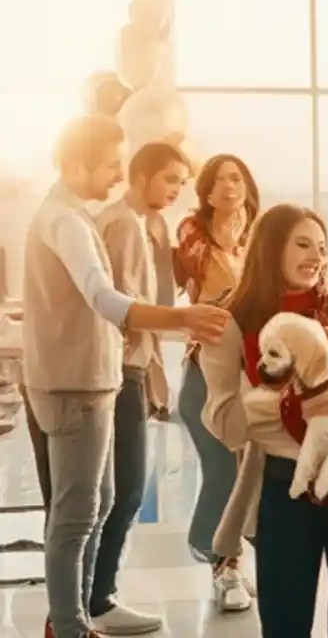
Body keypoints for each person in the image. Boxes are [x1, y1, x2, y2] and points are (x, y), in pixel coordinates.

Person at [22, 115, 229, 638]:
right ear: (74, 164)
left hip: (94, 380)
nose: (119, 172)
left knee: (103, 502)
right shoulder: (67, 221)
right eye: (112, 163)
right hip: (75, 386)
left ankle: (81, 615)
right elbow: (104, 298)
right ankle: (69, 626)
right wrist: (183, 318)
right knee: (75, 514)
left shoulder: (72, 215)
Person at [199, 204, 328, 638]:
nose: (316, 255)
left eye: (322, 247)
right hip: (286, 486)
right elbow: (227, 424)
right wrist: (289, 407)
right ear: (270, 248)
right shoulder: (232, 322)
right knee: (285, 626)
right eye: (303, 244)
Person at [88, 141, 192, 635]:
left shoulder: (152, 225)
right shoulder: (123, 224)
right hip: (115, 368)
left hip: (132, 365)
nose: (175, 190)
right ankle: (97, 599)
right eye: (170, 179)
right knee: (124, 489)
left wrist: (155, 369)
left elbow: (152, 304)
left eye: (180, 183)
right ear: (142, 174)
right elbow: (123, 307)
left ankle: (96, 595)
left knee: (121, 489)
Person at [171, 153, 258, 611]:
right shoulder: (195, 233)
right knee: (223, 470)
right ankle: (221, 560)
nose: (231, 185)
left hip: (247, 374)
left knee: (246, 472)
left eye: (237, 177)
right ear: (205, 192)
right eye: (221, 179)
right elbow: (205, 273)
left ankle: (227, 558)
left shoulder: (255, 241)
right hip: (203, 373)